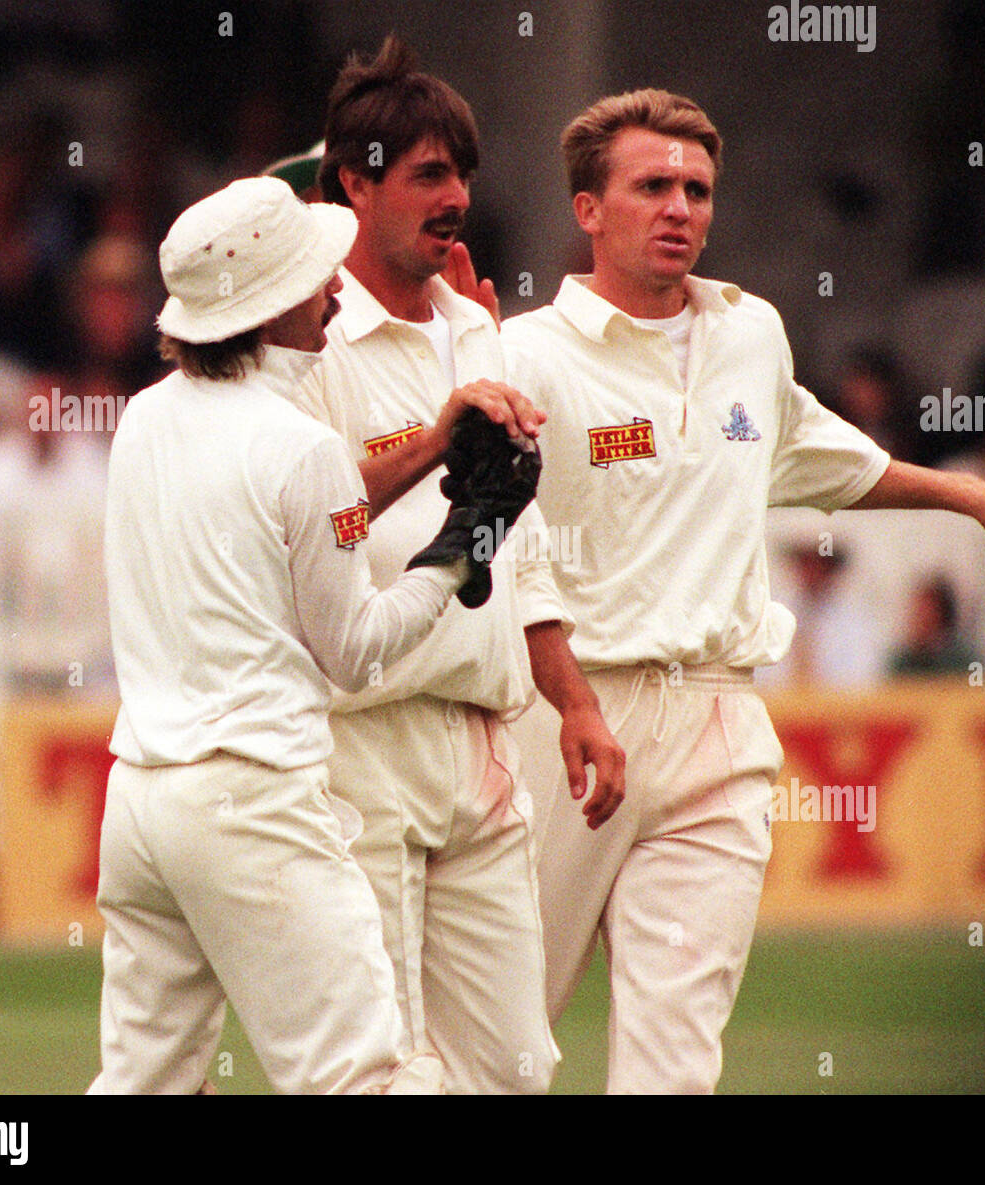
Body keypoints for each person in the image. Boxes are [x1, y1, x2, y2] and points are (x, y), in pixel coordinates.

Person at [499, 88, 985, 1094]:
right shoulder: (524, 358)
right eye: (652, 186)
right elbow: (505, 542)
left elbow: (820, 453)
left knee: (674, 1069)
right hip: (564, 721)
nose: (680, 206)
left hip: (721, 720)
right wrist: (574, 701)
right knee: (497, 1049)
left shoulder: (750, 333)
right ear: (588, 210)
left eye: (697, 189)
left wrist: (971, 499)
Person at [90, 176, 522, 1094]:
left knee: (144, 1085)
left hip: (137, 804)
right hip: (255, 800)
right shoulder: (302, 447)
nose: (335, 286)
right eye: (318, 273)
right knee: (360, 1077)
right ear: (273, 302)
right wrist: (461, 547)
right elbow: (356, 649)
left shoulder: (141, 417)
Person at [294, 37, 624, 1094]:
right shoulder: (305, 340)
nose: (455, 199)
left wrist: (570, 700)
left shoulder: (474, 328)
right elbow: (305, 512)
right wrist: (433, 434)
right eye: (428, 174)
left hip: (480, 740)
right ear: (356, 182)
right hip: (360, 740)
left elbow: (511, 532)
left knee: (514, 1071)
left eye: (462, 175)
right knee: (380, 1068)